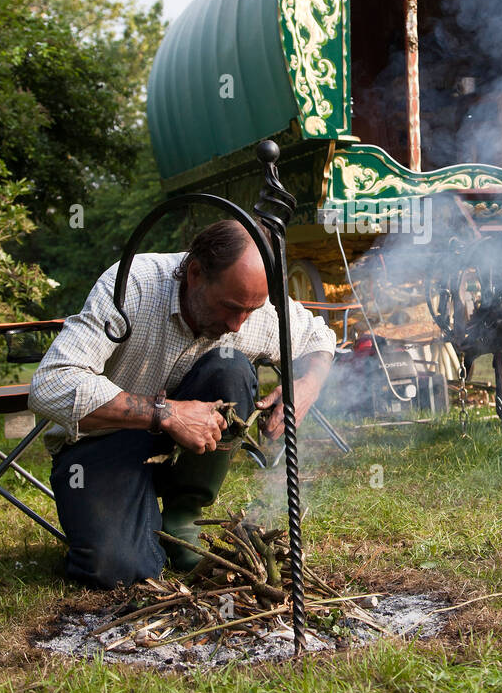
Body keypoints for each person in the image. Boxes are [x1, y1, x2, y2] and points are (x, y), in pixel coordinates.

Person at [28, 220, 335, 588]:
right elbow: (50, 384)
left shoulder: (251, 304)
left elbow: (318, 337)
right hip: (101, 446)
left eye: (250, 311)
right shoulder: (133, 285)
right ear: (195, 273)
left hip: (181, 453)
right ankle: (133, 532)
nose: (239, 325)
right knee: (119, 572)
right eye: (231, 307)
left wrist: (307, 384)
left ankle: (183, 515)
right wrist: (166, 413)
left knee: (230, 365)